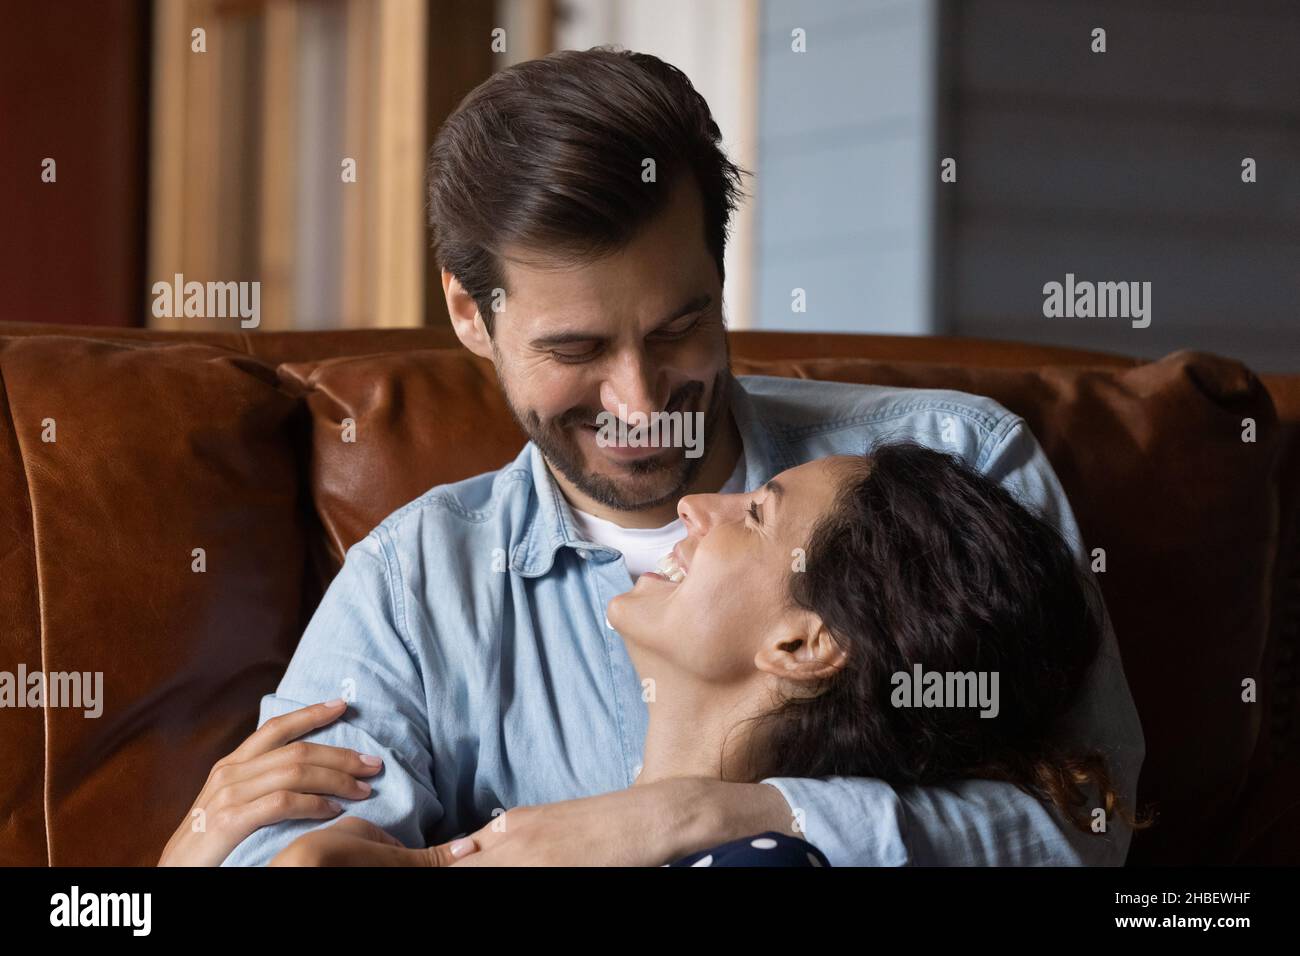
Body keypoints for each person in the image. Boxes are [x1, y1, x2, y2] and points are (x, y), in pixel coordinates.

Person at [159, 46, 1144, 867]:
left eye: (679, 326)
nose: (639, 403)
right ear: (469, 312)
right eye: (576, 350)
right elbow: (287, 848)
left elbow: (1089, 826)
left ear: (719, 274)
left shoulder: (950, 459)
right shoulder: (417, 586)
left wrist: (721, 812)